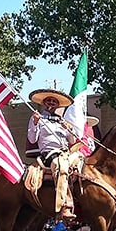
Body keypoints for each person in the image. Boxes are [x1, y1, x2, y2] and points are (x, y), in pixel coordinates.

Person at [27, 88, 79, 219]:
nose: (51, 103)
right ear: (44, 103)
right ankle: (65, 205)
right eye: (48, 100)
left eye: (54, 101)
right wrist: (35, 123)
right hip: (49, 154)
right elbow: (32, 139)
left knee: (84, 162)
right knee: (60, 167)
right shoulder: (38, 118)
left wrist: (69, 129)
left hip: (66, 152)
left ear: (58, 105)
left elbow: (72, 141)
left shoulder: (62, 121)